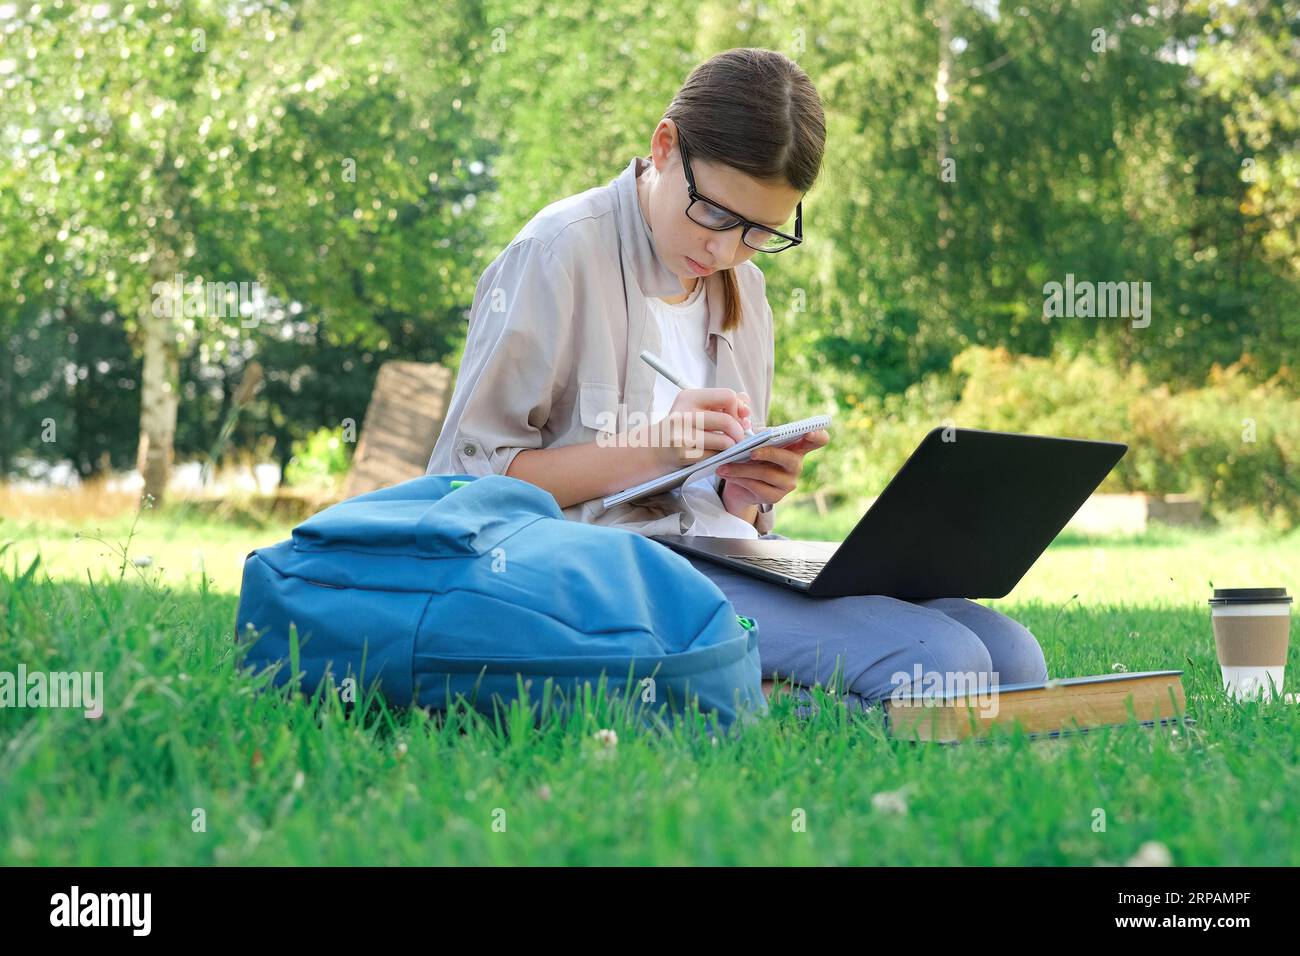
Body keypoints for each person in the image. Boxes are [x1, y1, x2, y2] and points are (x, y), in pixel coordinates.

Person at [427, 48, 1048, 711]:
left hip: (723, 559)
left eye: (762, 231)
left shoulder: (745, 290)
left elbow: (725, 509)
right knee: (939, 659)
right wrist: (657, 448)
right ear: (665, 146)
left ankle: (738, 688)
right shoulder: (556, 254)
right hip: (597, 573)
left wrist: (752, 488)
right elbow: (466, 494)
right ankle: (724, 703)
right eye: (718, 215)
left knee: (1012, 657)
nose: (727, 251)